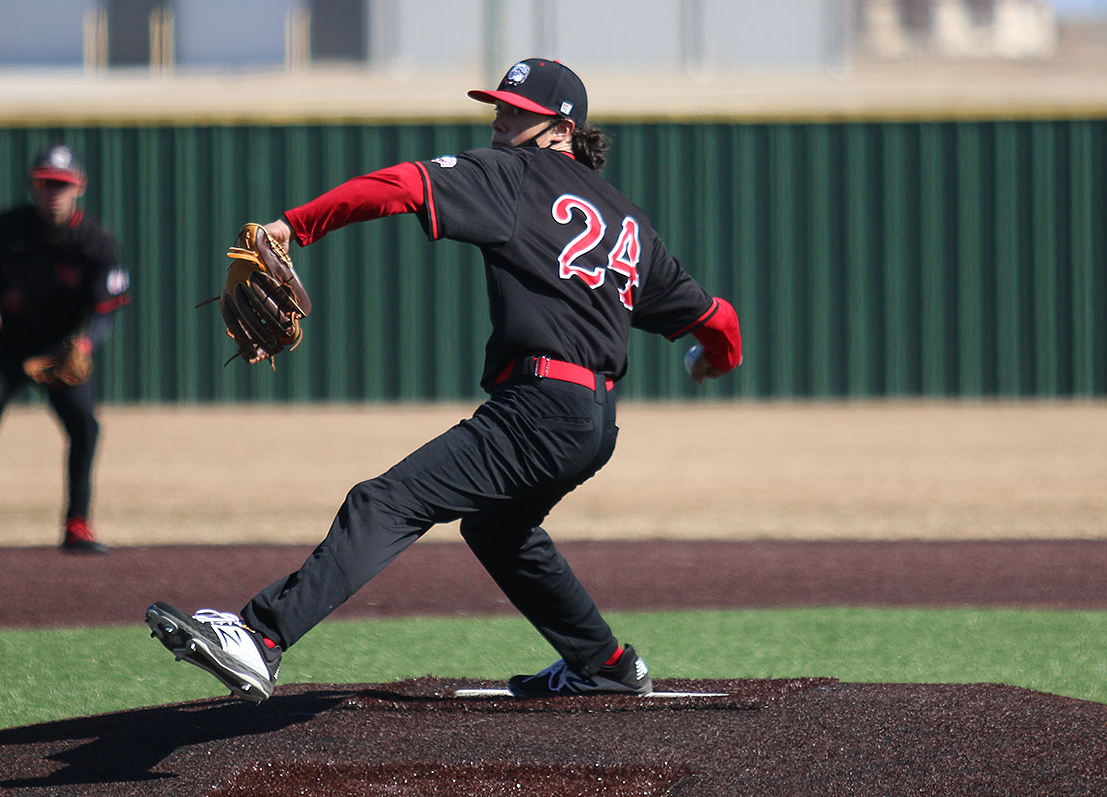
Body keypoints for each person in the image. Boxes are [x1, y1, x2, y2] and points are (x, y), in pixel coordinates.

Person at [146, 58, 742, 701]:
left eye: (518, 112)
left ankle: (260, 638)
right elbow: (719, 319)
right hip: (593, 423)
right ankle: (605, 662)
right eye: (499, 108)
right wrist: (713, 361)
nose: (499, 120)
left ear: (562, 129)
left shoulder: (512, 173)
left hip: (539, 408)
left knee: (387, 501)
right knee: (497, 528)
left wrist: (295, 224)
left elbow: (401, 184)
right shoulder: (631, 222)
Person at [0, 142, 130, 554]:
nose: (54, 192)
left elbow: (106, 311)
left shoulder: (96, 243)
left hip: (60, 349)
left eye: (62, 184)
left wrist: (85, 344)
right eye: (47, 183)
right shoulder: (4, 229)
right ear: (35, 185)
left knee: (85, 425)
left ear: (79, 186)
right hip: (6, 347)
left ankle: (77, 523)